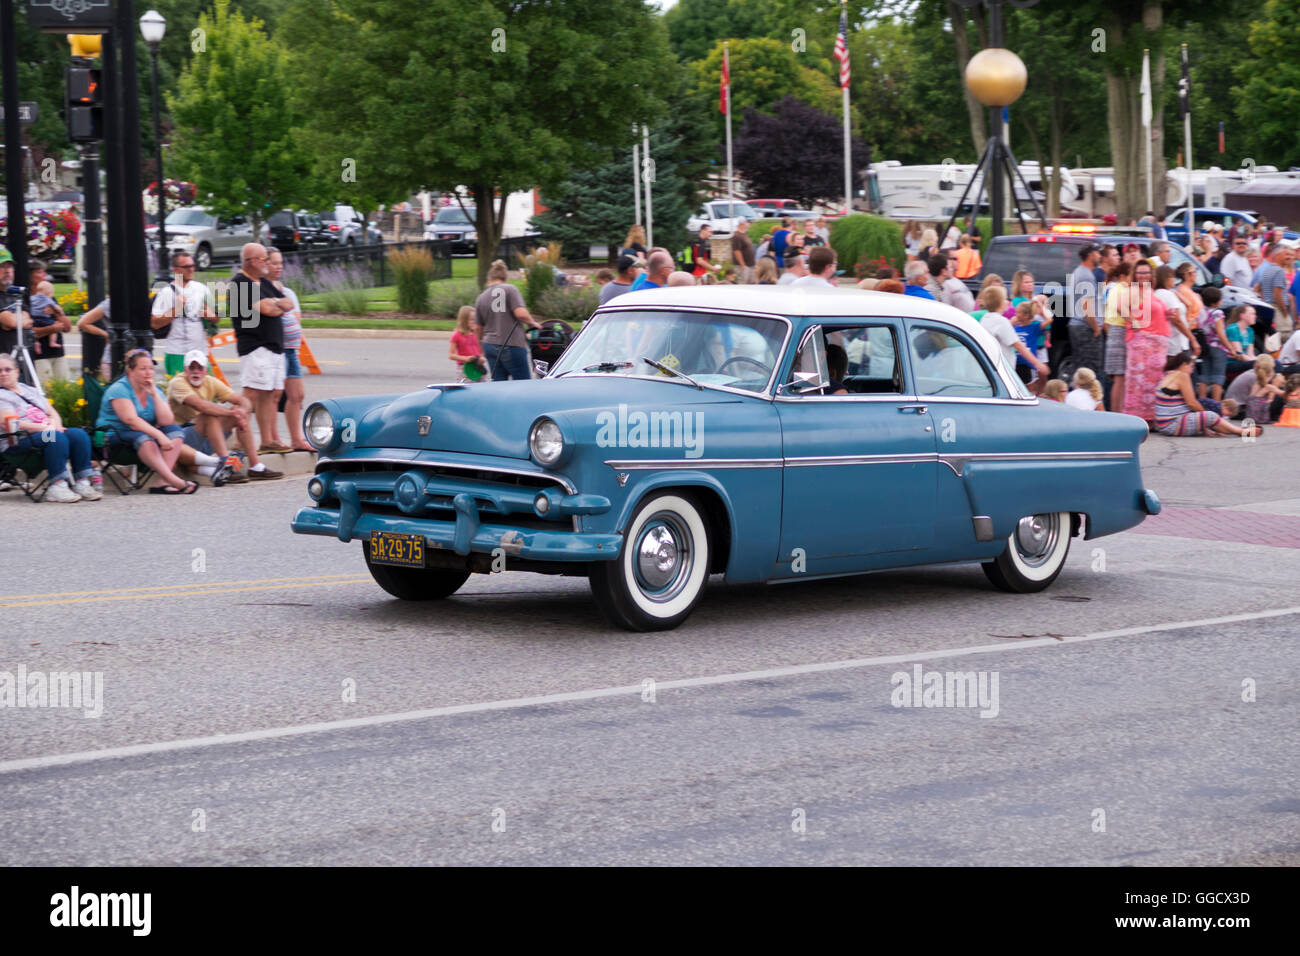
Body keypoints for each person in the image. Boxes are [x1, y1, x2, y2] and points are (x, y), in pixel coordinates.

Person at [167, 350, 280, 483]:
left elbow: (243, 400)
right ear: (185, 370)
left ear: (206, 370)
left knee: (236, 413)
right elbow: (201, 406)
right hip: (180, 439)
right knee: (209, 416)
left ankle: (255, 466)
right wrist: (231, 413)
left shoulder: (210, 381)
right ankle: (225, 463)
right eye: (192, 368)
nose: (196, 371)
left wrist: (241, 412)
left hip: (202, 439)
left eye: (200, 368)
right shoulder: (177, 383)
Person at [0, 353, 100, 502]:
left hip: (44, 432)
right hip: (18, 440)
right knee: (55, 437)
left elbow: (52, 412)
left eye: (7, 369)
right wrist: (46, 428)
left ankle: (82, 482)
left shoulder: (28, 389)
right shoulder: (2, 396)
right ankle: (57, 485)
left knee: (78, 434)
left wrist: (56, 425)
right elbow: (13, 424)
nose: (3, 373)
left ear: (17, 372)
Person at [95, 348, 196, 493]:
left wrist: (154, 395)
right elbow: (131, 420)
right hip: (114, 436)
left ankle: (162, 481)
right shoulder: (119, 389)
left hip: (143, 433)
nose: (149, 373)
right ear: (130, 370)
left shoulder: (154, 389)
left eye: (151, 368)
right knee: (145, 438)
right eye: (143, 369)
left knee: (175, 432)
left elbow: (167, 420)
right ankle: (175, 481)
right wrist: (159, 436)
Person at [229, 242, 293, 453]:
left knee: (269, 394)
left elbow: (287, 303)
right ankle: (240, 441)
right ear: (253, 261)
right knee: (251, 394)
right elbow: (268, 309)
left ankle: (266, 440)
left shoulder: (263, 283)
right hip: (255, 347)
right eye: (265, 259)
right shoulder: (239, 285)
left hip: (274, 348)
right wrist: (274, 304)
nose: (267, 263)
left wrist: (274, 303)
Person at [263, 249, 312, 451]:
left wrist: (280, 305)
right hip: (277, 349)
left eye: (280, 263)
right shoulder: (262, 290)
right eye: (274, 263)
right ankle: (274, 438)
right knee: (274, 396)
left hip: (292, 350)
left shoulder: (287, 291)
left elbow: (295, 316)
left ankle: (296, 439)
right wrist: (279, 304)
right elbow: (269, 313)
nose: (279, 267)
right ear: (265, 265)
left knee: (297, 395)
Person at [1155, 351, 1259, 437]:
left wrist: (1204, 422)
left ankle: (1238, 430)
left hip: (1164, 424)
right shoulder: (1182, 376)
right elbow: (1192, 403)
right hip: (1173, 424)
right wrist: (1205, 418)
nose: (1192, 370)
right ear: (1183, 365)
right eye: (1191, 366)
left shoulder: (1168, 374)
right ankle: (1240, 431)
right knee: (1210, 415)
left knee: (1208, 417)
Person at [151, 251, 217, 376]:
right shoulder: (166, 292)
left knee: (207, 394)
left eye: (192, 265)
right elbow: (155, 323)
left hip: (201, 354)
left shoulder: (202, 289)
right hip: (177, 354)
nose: (191, 269)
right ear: (176, 270)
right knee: (180, 394)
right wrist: (176, 309)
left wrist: (210, 315)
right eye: (186, 267)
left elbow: (216, 317)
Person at [475, 258, 541, 381]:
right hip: (512, 345)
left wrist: (481, 347)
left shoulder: (481, 297)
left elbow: (478, 328)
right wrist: (533, 322)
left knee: (499, 385)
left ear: (489, 278)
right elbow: (520, 314)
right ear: (505, 277)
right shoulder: (510, 289)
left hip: (490, 345)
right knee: (522, 384)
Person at [1124, 261, 1170, 424]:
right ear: (1134, 275)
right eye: (1140, 273)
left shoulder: (1150, 291)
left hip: (1157, 344)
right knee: (1138, 383)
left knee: (1153, 382)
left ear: (1152, 275)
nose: (1143, 276)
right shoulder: (1132, 291)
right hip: (1142, 342)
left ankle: (1150, 417)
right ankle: (1137, 418)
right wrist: (1134, 322)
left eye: (1146, 273)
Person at [973, 286, 1048, 380]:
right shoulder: (1001, 321)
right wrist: (1038, 364)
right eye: (1005, 299)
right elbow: (1018, 345)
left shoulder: (986, 319)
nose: (1008, 302)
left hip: (992, 367)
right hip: (1003, 370)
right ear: (1000, 304)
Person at [26, 262, 72, 383]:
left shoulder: (50, 298)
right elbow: (29, 333)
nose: (44, 275)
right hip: (39, 356)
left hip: (58, 354)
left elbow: (67, 327)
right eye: (40, 272)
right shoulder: (26, 300)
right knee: (47, 392)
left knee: (64, 388)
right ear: (30, 276)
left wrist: (56, 312)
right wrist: (52, 328)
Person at [1064, 244, 1103, 381]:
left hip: (1077, 326)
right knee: (1089, 372)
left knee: (1080, 369)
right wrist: (1096, 328)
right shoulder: (1086, 276)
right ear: (1091, 255)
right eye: (1098, 253)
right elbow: (1086, 306)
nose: (1100, 256)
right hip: (1085, 328)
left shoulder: (1078, 272)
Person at [1102, 261, 1132, 412]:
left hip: (1113, 332)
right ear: (1123, 276)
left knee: (1118, 378)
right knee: (1120, 379)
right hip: (1120, 331)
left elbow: (1106, 320)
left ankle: (1118, 412)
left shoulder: (1113, 288)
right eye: (1131, 276)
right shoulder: (1122, 289)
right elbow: (1121, 310)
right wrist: (1134, 322)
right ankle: (1117, 413)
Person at [1195, 286, 1232, 400]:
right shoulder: (1218, 313)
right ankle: (1216, 405)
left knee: (1204, 375)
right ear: (1217, 300)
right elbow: (1220, 333)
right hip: (1218, 347)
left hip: (1205, 346)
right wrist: (1230, 348)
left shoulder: (1202, 312)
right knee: (1218, 376)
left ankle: (1202, 401)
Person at [0, 248, 32, 367]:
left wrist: (16, 321)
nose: (7, 270)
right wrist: (18, 320)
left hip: (20, 363)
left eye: (10, 266)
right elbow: (12, 322)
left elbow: (29, 321)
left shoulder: (15, 294)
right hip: (2, 367)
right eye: (2, 266)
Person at [1254, 244, 1294, 336]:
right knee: (1284, 336)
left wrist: (1266, 300)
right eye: (1286, 254)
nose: (1288, 257)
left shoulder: (1268, 269)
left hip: (1269, 308)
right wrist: (1284, 311)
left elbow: (1257, 288)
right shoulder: (1279, 271)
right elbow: (1277, 294)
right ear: (1277, 255)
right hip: (1278, 309)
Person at [1011, 300, 1050, 393]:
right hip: (1015, 363)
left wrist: (1041, 306)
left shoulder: (1035, 327)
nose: (1016, 314)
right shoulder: (1014, 327)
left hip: (1028, 364)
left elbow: (1049, 320)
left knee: (1029, 390)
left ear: (1026, 315)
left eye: (1018, 312)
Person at [449, 305, 485, 378]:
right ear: (464, 320)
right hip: (464, 368)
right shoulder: (457, 335)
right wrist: (465, 358)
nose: (474, 322)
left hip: (478, 367)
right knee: (467, 388)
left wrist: (482, 358)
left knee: (481, 387)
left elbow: (481, 351)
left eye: (476, 319)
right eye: (471, 319)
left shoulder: (476, 333)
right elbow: (451, 355)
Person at [730, 219, 755, 284]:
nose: (749, 224)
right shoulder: (737, 236)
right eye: (747, 222)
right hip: (743, 266)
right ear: (742, 223)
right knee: (743, 285)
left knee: (751, 285)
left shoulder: (744, 234)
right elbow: (736, 251)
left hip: (750, 265)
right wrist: (742, 264)